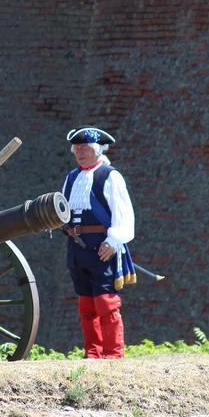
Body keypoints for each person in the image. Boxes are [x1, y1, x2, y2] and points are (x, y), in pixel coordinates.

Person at [62, 127, 136, 359]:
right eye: (77, 149)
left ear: (96, 150)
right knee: (85, 302)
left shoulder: (109, 176)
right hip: (77, 247)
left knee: (105, 301)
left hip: (102, 246)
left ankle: (113, 353)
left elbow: (123, 212)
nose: (80, 153)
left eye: (85, 148)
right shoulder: (72, 177)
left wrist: (113, 241)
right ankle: (92, 352)